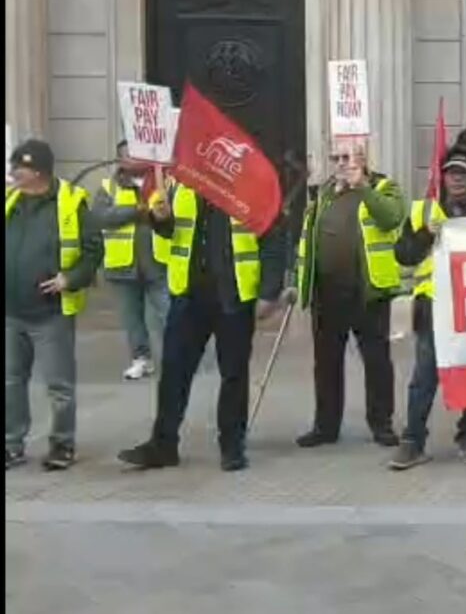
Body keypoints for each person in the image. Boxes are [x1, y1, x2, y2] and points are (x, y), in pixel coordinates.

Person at [118, 177, 286, 472]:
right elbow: (170, 232)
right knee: (173, 373)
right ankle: (163, 444)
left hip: (234, 297)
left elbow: (272, 238)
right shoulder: (181, 186)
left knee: (233, 375)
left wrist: (269, 292)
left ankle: (232, 446)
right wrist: (159, 219)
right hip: (189, 294)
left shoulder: (248, 188)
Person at [389, 150, 466, 470]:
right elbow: (404, 255)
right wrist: (426, 232)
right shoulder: (423, 211)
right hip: (433, 304)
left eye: (463, 174)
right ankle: (412, 440)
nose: (456, 179)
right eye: (451, 173)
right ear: (442, 177)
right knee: (424, 376)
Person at [292, 142, 407, 448]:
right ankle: (325, 426)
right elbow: (310, 237)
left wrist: (363, 187)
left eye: (347, 157)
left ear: (363, 158)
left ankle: (381, 424)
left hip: (367, 292)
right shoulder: (325, 192)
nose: (341, 163)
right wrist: (301, 281)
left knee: (377, 361)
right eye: (336, 158)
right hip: (327, 292)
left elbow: (392, 217)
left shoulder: (384, 186)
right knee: (326, 363)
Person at [6, 140, 103, 471]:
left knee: (59, 385)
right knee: (10, 381)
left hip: (51, 312)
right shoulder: (10, 201)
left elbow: (93, 251)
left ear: (38, 172)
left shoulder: (72, 202)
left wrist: (69, 279)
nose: (12, 172)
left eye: (18, 167)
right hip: (11, 311)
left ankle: (62, 444)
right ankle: (11, 444)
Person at [92, 141, 170, 380]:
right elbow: (101, 216)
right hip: (122, 265)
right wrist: (137, 211)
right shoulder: (109, 187)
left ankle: (176, 357)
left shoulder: (162, 181)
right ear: (119, 161)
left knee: (169, 313)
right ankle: (141, 359)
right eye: (126, 156)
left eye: (136, 154)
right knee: (132, 319)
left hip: (158, 263)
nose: (132, 160)